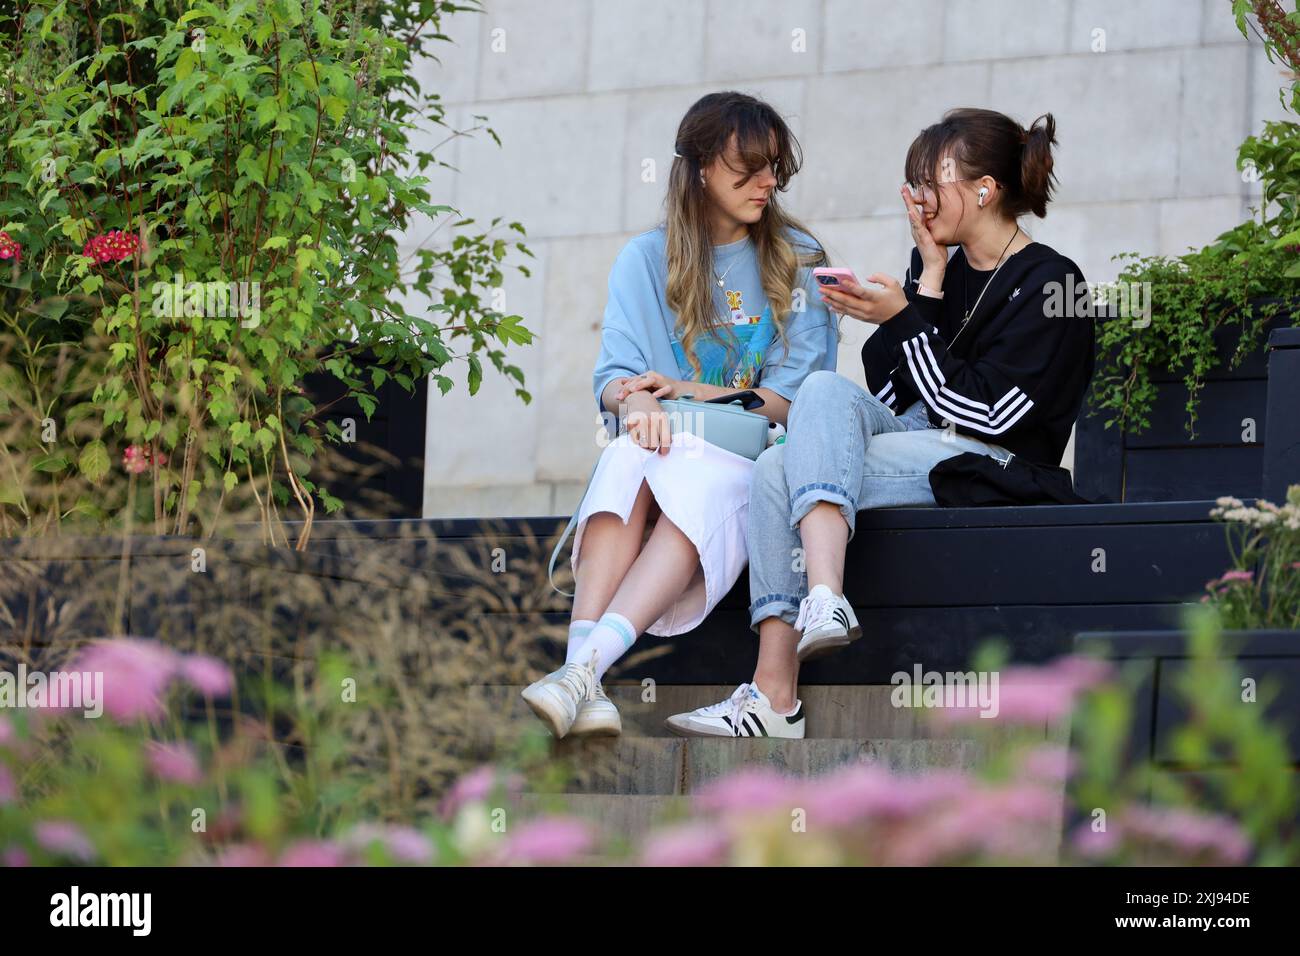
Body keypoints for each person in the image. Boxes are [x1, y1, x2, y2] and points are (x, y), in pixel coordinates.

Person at [666, 108, 1095, 738]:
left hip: (992, 465)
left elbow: (991, 416)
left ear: (984, 189)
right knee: (798, 428)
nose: (919, 200)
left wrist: (902, 319)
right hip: (922, 447)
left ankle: (781, 683)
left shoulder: (1052, 283)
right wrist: (924, 294)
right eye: (914, 184)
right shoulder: (936, 269)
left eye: (932, 182)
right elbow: (896, 399)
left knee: (784, 466)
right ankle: (807, 633)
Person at [521, 92, 838, 738]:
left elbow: (794, 402)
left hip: (754, 458)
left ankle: (579, 671)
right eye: (746, 170)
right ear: (698, 170)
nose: (767, 184)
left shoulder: (798, 260)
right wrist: (634, 400)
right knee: (629, 450)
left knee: (687, 474)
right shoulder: (646, 259)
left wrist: (681, 391)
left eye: (774, 168)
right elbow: (613, 380)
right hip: (662, 446)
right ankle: (583, 680)